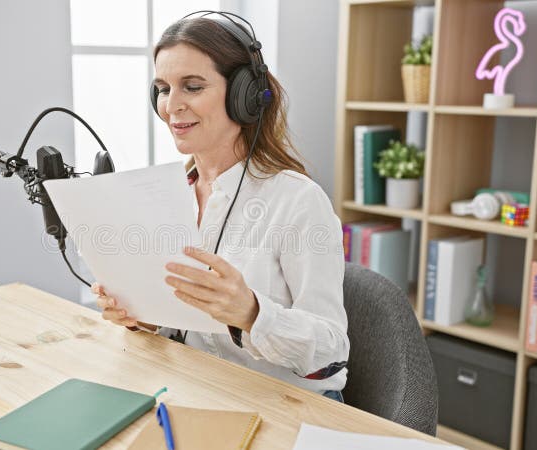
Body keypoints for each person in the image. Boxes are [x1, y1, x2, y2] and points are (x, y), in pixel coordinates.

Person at [91, 12, 349, 402]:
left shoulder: (298, 201)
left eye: (192, 87)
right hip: (201, 390)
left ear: (243, 95)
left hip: (285, 403)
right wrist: (143, 318)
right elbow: (182, 325)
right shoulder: (167, 195)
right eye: (162, 89)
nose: (171, 106)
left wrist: (251, 313)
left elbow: (332, 350)